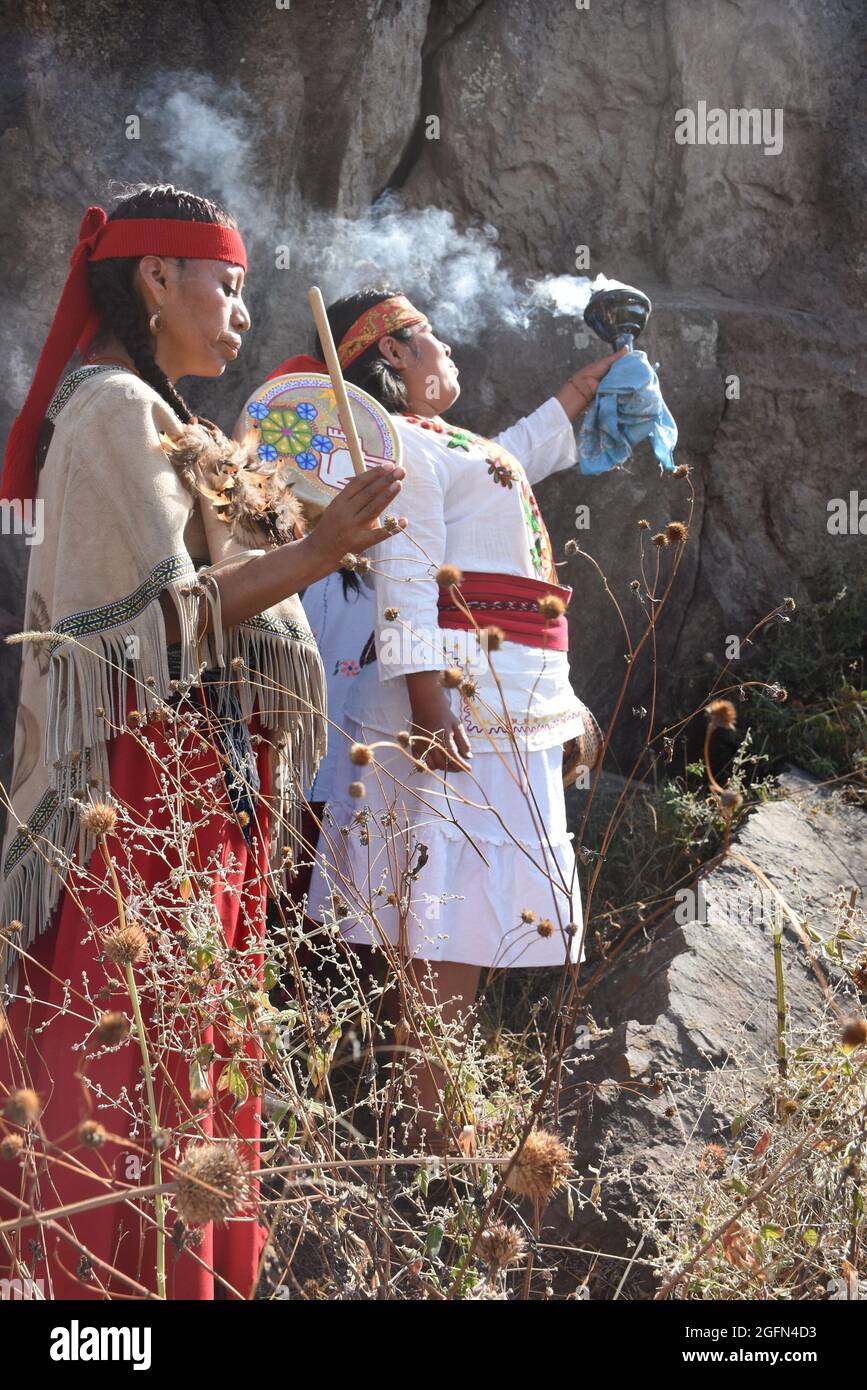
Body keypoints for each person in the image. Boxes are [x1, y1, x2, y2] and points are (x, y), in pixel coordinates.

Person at [0, 189, 405, 1299]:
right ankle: (93, 1300)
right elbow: (153, 622)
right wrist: (317, 548)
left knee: (200, 1038)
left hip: (202, 787)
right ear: (154, 279)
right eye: (224, 283)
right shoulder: (110, 412)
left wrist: (329, 526)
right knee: (127, 1043)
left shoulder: (179, 422)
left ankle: (183, 1284)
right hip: (134, 790)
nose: (241, 308)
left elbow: (237, 572)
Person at [305, 286, 624, 1149]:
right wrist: (426, 705)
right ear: (396, 356)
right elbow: (406, 576)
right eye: (431, 336)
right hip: (457, 704)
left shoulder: (436, 442)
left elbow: (504, 458)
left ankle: (420, 1097)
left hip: (484, 697)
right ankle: (430, 1109)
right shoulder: (399, 442)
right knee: (452, 898)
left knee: (443, 900)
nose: (448, 348)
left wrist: (575, 398)